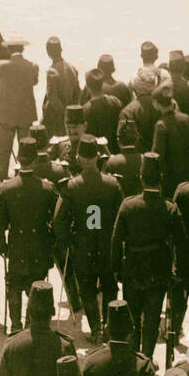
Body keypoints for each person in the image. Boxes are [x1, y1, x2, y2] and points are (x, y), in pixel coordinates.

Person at [111, 152, 188, 362]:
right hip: (158, 271)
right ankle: (147, 359)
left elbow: (116, 241)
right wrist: (180, 274)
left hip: (132, 269)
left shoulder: (128, 205)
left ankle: (135, 358)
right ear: (161, 177)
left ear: (141, 176)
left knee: (133, 319)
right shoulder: (170, 208)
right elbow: (182, 244)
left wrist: (116, 268)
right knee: (152, 320)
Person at [53, 139, 123, 343]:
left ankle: (96, 329)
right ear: (97, 157)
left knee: (87, 288)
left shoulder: (72, 186)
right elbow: (121, 215)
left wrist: (67, 242)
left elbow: (59, 221)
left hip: (83, 245)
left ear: (79, 158)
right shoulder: (112, 184)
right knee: (109, 285)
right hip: (107, 244)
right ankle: (109, 327)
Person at [0, 139, 58, 332]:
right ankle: (31, 325)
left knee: (14, 285)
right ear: (36, 160)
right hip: (39, 246)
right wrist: (52, 242)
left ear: (19, 159)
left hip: (16, 245)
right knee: (36, 285)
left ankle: (15, 326)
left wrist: (1, 247)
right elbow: (57, 218)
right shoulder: (47, 188)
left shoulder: (5, 188)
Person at [0, 38, 38, 182]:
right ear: (23, 49)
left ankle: (1, 180)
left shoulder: (2, 66)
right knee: (26, 149)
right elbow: (35, 81)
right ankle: (24, 178)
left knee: (3, 151)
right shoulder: (32, 66)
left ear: (9, 49)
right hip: (25, 115)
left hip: (6, 115)